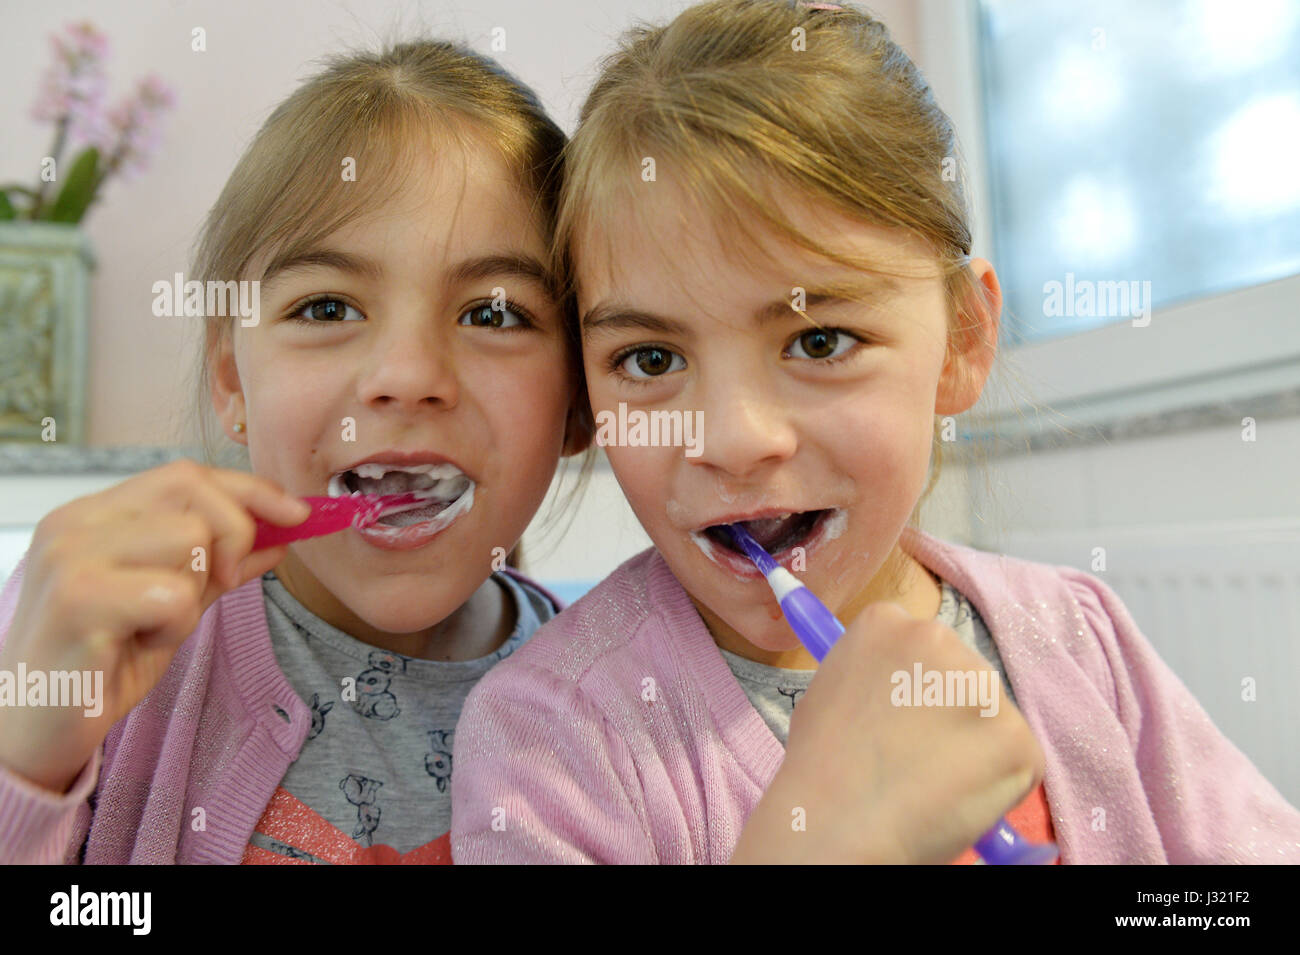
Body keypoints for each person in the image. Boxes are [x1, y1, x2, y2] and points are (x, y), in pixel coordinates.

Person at [450, 0, 1300, 863]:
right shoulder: (550, 736)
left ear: (960, 343)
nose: (736, 440)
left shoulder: (1079, 635)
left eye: (819, 341)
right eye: (651, 359)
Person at [0, 39, 591, 864]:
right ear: (231, 379)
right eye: (326, 307)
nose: (408, 376)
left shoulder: (624, 702)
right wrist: (26, 751)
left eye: (493, 315)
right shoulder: (97, 629)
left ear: (583, 403)